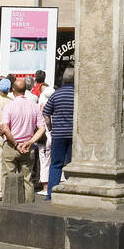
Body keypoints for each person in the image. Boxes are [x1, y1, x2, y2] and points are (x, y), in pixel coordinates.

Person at [0, 76, 45, 203]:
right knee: (27, 179)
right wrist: (30, 141)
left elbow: (5, 128)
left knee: (8, 177)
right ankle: (29, 208)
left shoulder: (9, 106)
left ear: (13, 90)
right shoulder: (34, 106)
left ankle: (8, 205)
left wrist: (15, 144)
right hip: (27, 146)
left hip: (11, 145)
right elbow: (41, 128)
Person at [44, 66, 75, 199]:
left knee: (56, 164)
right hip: (74, 134)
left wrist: (50, 127)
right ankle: (71, 191)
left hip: (58, 134)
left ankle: (51, 193)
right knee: (72, 164)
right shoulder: (78, 94)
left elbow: (46, 113)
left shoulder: (56, 94)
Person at [35, 72, 55, 192]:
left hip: (45, 134)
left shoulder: (42, 104)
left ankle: (45, 186)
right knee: (51, 160)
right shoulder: (54, 103)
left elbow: (45, 120)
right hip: (52, 134)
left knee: (44, 161)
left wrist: (49, 127)